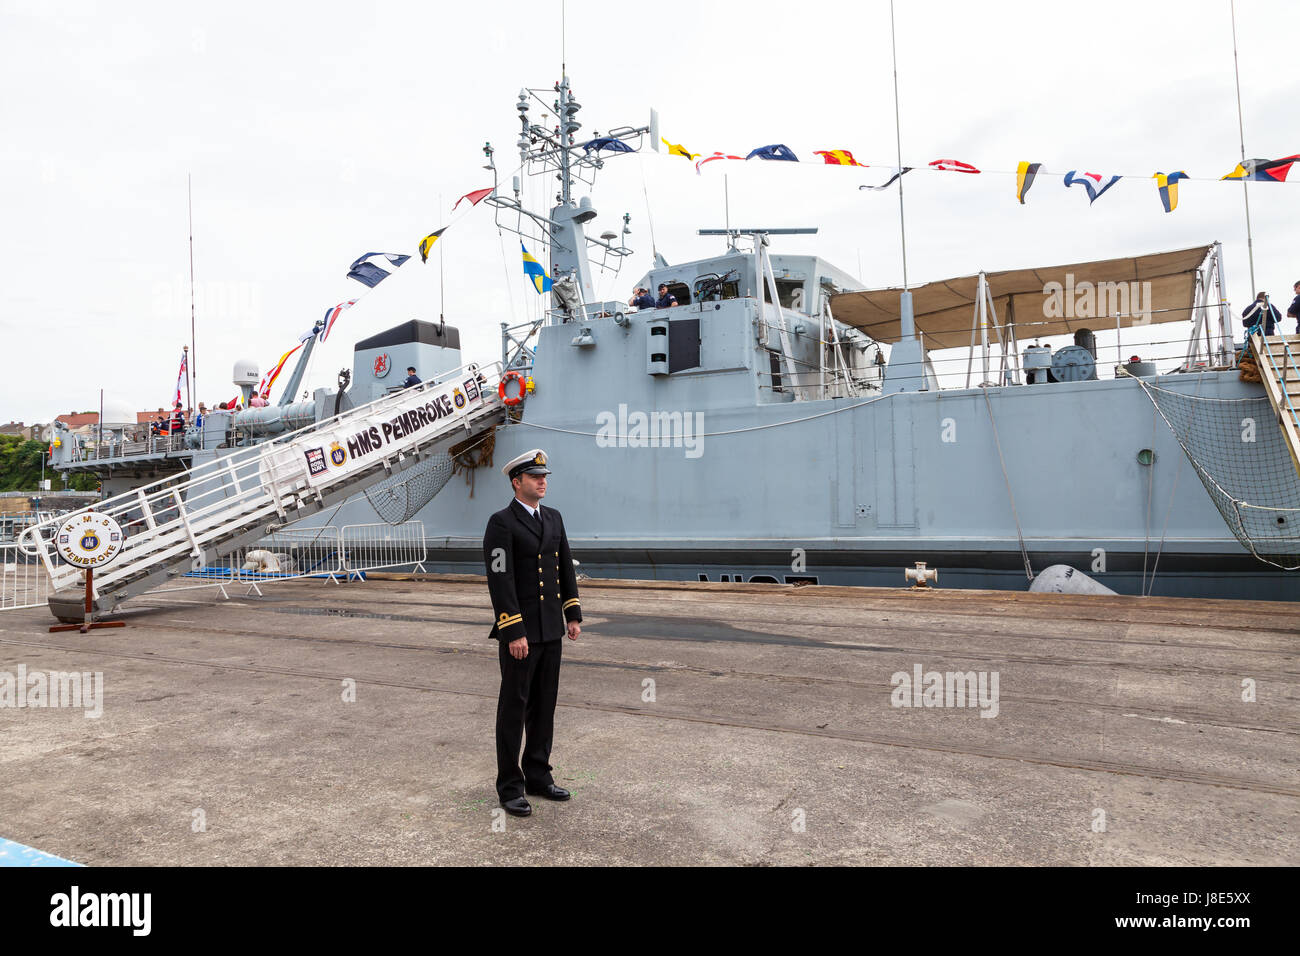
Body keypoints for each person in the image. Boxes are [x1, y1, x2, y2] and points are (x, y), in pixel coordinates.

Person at [483, 448, 582, 818]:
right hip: (521, 634)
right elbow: (500, 579)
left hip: (550, 630)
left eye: (545, 476)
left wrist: (572, 614)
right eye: (535, 477)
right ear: (516, 482)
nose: (543, 481)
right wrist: (512, 631)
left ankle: (539, 775)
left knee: (544, 707)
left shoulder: (554, 518)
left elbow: (564, 569)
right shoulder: (501, 523)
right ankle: (510, 786)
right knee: (514, 709)